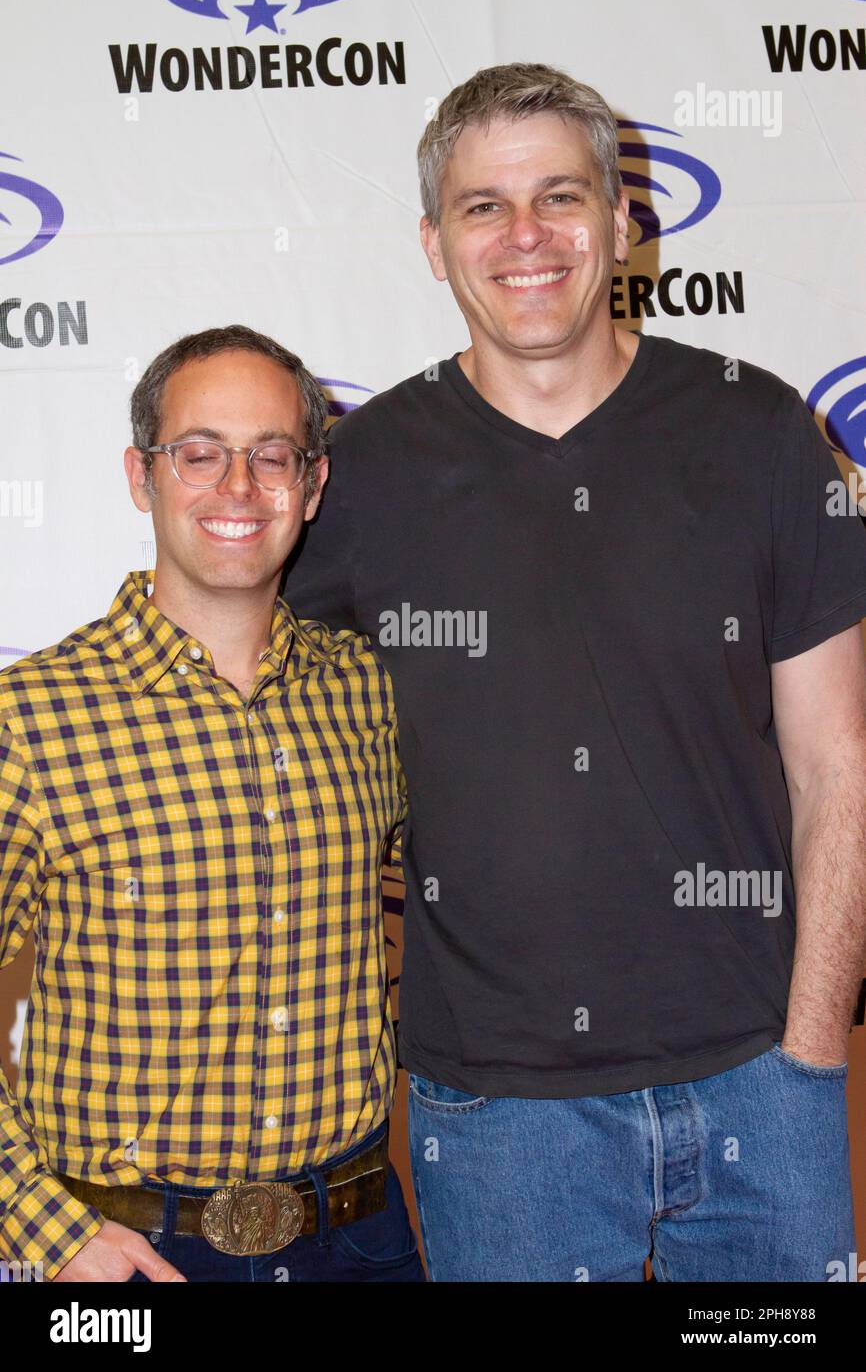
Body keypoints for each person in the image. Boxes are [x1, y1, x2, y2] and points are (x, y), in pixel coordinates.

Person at [283, 64, 866, 1282]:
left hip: (760, 1076)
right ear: (434, 244)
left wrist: (810, 1042)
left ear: (618, 218)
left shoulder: (756, 430)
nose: (526, 236)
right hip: (496, 1111)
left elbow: (836, 763)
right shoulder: (358, 473)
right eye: (482, 207)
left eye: (559, 195)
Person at [0, 324, 424, 1283]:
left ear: (311, 487)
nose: (238, 487)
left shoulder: (375, 693)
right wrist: (43, 1231)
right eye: (200, 454)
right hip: (125, 1258)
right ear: (142, 476)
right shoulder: (30, 721)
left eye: (272, 455)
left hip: (362, 1241)